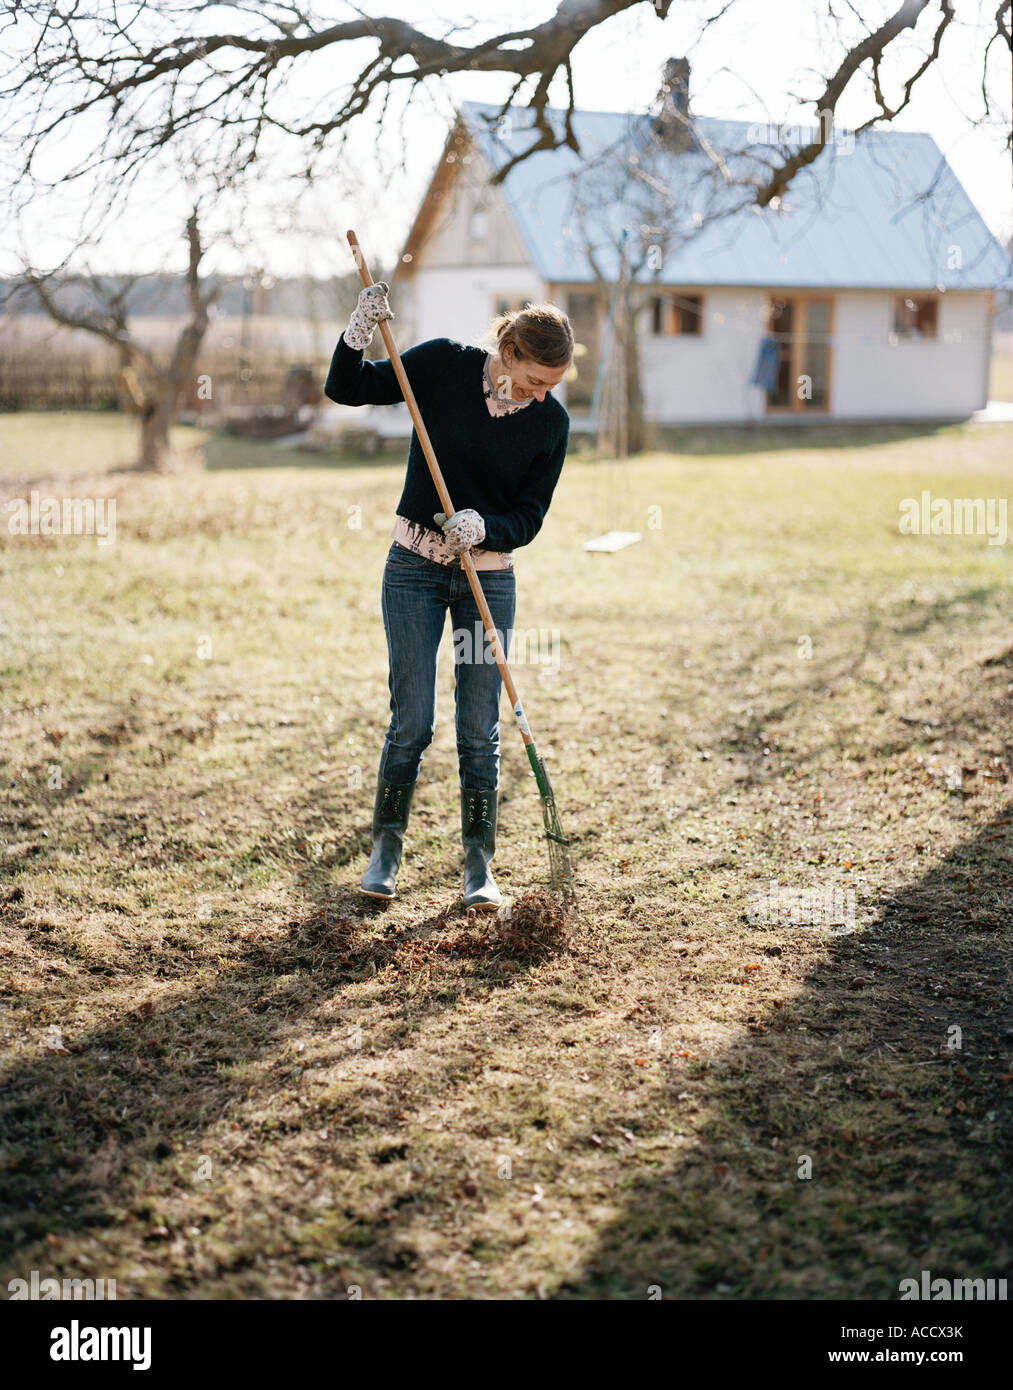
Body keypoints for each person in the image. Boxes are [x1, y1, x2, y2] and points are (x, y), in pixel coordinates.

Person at [324, 284, 572, 909]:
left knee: (478, 727)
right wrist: (359, 328)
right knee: (411, 720)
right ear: (509, 350)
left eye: (554, 384)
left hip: (488, 579)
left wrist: (487, 527)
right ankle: (386, 849)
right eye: (536, 378)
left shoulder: (550, 424)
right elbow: (346, 388)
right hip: (413, 569)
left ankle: (478, 865)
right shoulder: (440, 366)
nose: (543, 393)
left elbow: (530, 515)